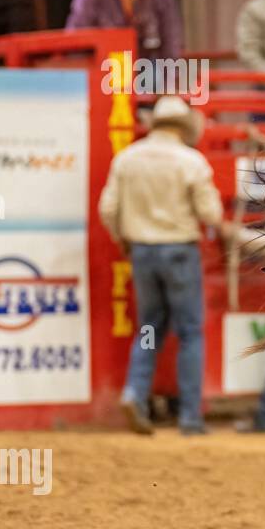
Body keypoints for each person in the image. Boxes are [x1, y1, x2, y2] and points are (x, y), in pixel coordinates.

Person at [98, 96, 222, 435]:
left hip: (141, 250)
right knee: (189, 332)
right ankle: (190, 418)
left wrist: (124, 239)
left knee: (149, 328)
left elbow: (108, 208)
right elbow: (210, 213)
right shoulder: (191, 161)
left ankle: (135, 393)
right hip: (179, 249)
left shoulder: (127, 159)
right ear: (183, 126)